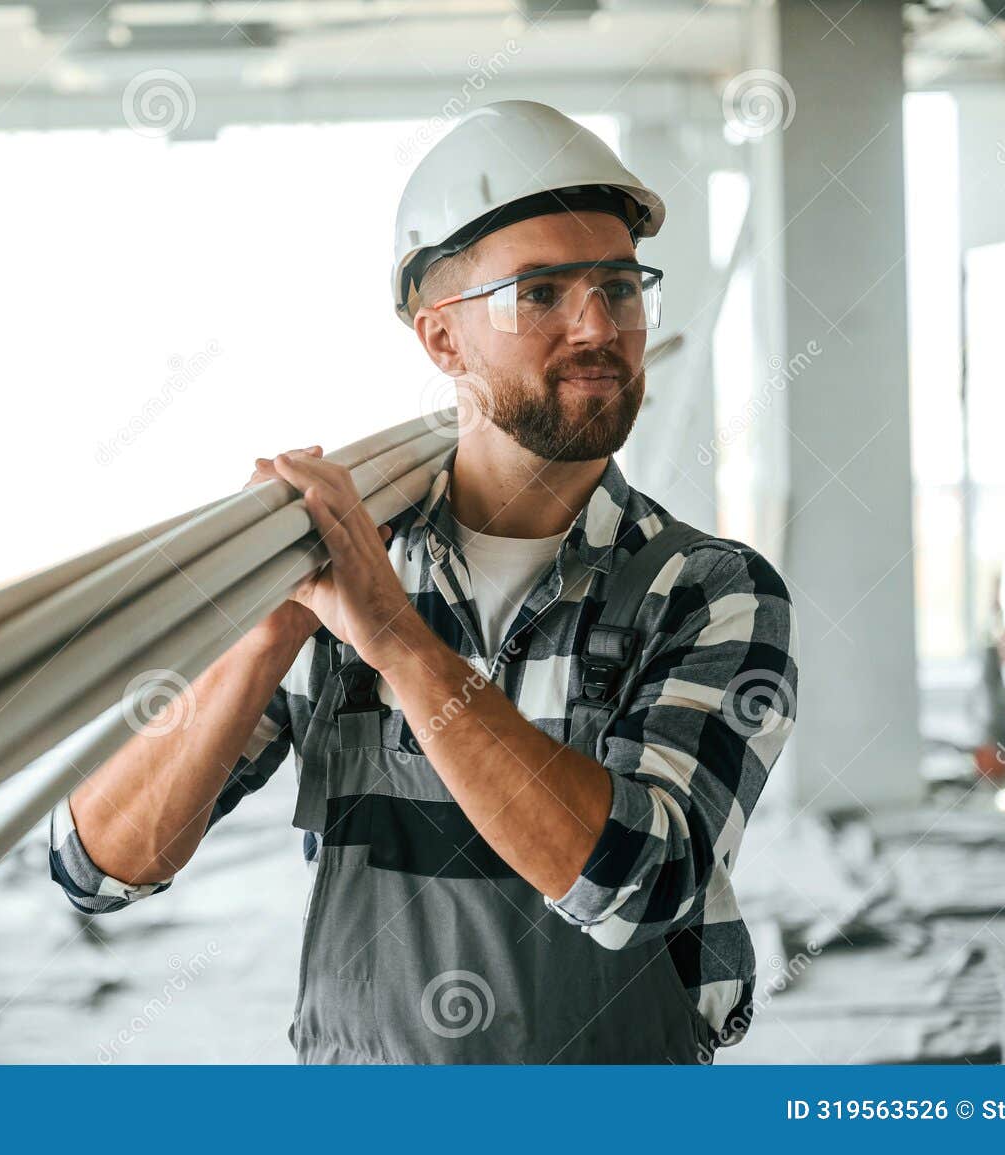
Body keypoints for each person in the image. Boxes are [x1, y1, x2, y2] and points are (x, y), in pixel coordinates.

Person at [50, 99, 799, 1063]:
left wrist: (397, 638)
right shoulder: (343, 564)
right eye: (541, 293)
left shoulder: (707, 591)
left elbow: (637, 883)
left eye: (619, 286)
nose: (598, 326)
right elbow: (96, 865)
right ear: (442, 341)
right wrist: (269, 625)